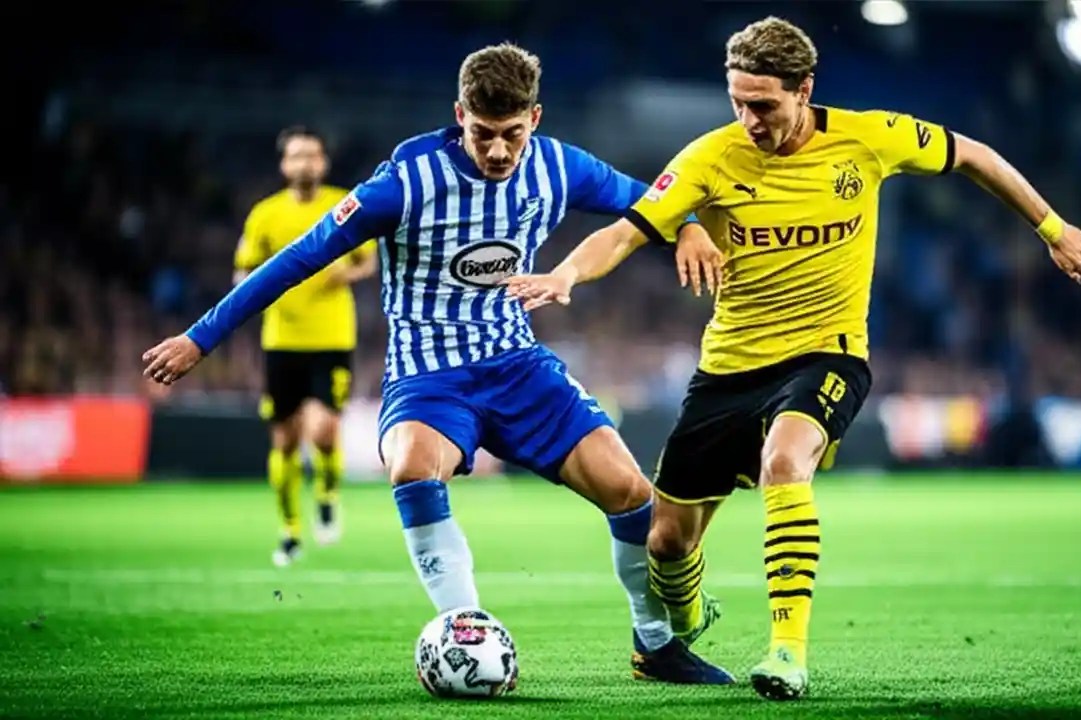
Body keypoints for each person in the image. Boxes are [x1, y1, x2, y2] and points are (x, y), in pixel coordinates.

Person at [504, 16, 1081, 700]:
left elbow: (975, 156)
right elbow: (625, 231)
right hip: (729, 369)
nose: (748, 119)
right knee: (666, 543)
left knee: (785, 463)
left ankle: (787, 651)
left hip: (828, 354)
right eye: (737, 103)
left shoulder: (870, 136)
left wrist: (1052, 229)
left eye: (761, 105)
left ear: (805, 90)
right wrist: (566, 276)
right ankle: (691, 614)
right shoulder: (711, 156)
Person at [142, 43, 731, 685]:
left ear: (535, 118)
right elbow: (296, 258)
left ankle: (655, 646)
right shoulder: (405, 181)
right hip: (428, 375)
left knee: (632, 492)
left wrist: (691, 223)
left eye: (511, 134)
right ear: (459, 116)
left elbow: (651, 201)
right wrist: (200, 338)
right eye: (483, 135)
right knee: (413, 466)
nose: (499, 151)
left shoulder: (562, 166)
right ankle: (466, 634)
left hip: (518, 365)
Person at [234, 126, 378, 566]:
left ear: (324, 162)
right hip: (282, 338)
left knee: (324, 430)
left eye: (312, 155)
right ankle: (290, 530)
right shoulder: (265, 215)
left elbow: (369, 260)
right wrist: (255, 293)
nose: (305, 164)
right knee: (283, 441)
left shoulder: (344, 204)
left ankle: (328, 493)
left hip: (332, 335)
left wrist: (344, 275)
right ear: (284, 165)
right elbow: (243, 270)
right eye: (297, 156)